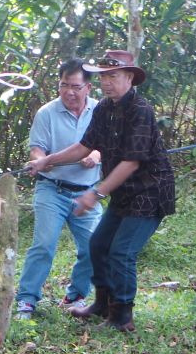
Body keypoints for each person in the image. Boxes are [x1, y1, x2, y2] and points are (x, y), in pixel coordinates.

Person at [25, 50, 175, 333]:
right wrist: (47, 160)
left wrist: (96, 193)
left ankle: (122, 315)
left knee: (121, 252)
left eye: (113, 76)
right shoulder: (104, 109)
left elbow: (131, 162)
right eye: (103, 76)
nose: (107, 82)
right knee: (97, 245)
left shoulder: (140, 110)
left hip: (150, 192)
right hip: (123, 194)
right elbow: (84, 146)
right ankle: (102, 304)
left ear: (129, 78)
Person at [13, 59, 103, 320]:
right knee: (43, 245)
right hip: (52, 189)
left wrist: (97, 154)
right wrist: (42, 161)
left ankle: (76, 295)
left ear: (88, 87)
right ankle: (27, 300)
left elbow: (109, 145)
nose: (69, 92)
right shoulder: (47, 113)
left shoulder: (100, 111)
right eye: (64, 85)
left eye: (75, 86)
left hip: (86, 192)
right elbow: (37, 149)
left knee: (93, 246)